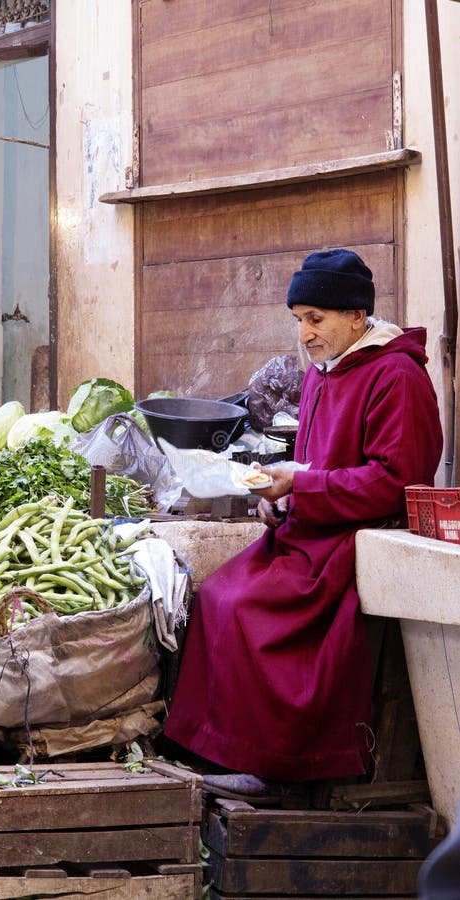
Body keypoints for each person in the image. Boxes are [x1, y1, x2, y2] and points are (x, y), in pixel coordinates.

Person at [163, 248, 443, 803]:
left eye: (316, 319)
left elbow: (396, 480)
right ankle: (218, 748)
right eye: (298, 319)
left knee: (251, 610)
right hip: (309, 528)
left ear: (357, 317)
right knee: (216, 592)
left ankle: (278, 766)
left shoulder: (397, 376)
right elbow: (310, 465)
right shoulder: (323, 372)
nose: (305, 333)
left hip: (356, 537)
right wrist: (278, 500)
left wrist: (301, 487)